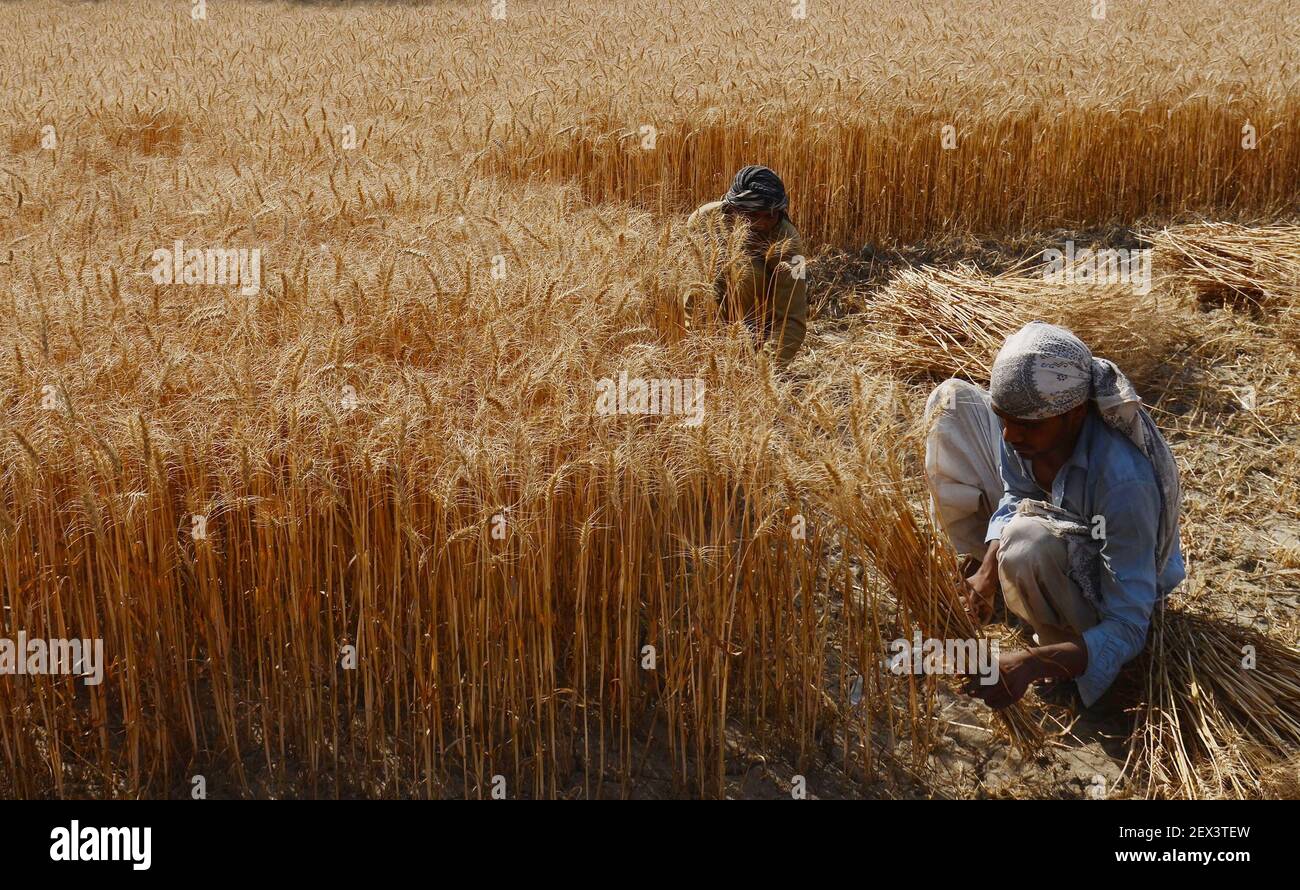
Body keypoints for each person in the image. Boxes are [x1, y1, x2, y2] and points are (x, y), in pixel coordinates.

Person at [923, 321, 1184, 710]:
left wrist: (1031, 664)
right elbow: (1018, 495)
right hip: (1051, 528)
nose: (1009, 436)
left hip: (1114, 586)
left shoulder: (1123, 483)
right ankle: (1002, 579)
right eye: (1003, 418)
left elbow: (1129, 626)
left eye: (1025, 425)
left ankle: (1062, 645)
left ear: (1075, 415)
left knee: (1026, 543)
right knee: (953, 402)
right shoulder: (1028, 426)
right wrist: (986, 573)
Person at [687, 165, 808, 364]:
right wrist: (699, 351)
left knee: (749, 273)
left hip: (754, 325)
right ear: (732, 208)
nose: (761, 223)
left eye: (769, 215)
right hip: (705, 316)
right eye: (751, 215)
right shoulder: (703, 220)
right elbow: (689, 283)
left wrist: (764, 369)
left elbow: (792, 318)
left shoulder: (789, 242)